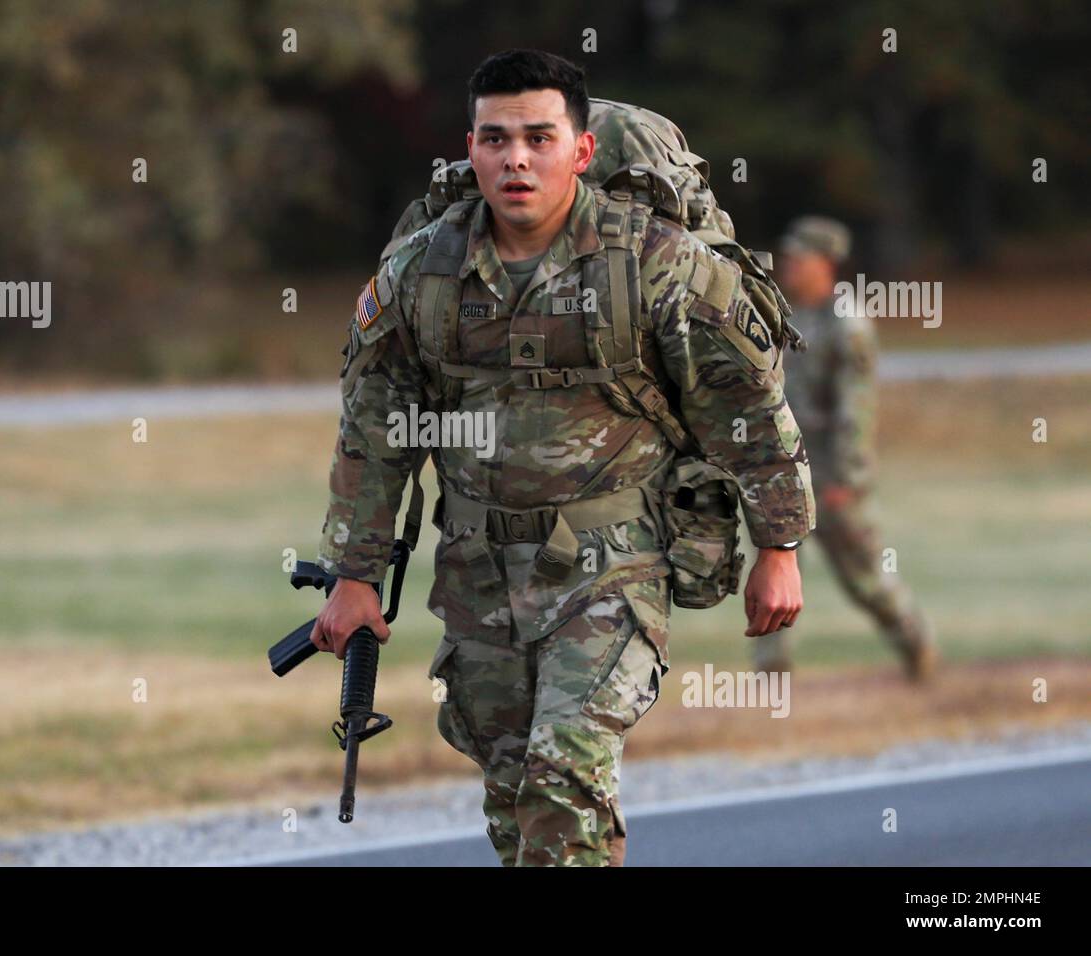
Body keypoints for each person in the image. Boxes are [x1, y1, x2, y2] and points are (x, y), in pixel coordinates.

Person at [311, 49, 814, 866]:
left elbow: (747, 405)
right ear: (468, 147)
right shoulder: (422, 270)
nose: (516, 159)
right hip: (477, 569)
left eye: (539, 138)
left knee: (561, 778)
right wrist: (356, 573)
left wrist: (780, 546)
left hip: (613, 564)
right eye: (496, 138)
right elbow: (375, 428)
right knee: (518, 810)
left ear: (579, 151)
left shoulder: (653, 263)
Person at [749, 216, 936, 680]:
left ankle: (916, 644)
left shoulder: (847, 326)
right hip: (784, 469)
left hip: (830, 472)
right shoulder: (786, 314)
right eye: (787, 257)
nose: (789, 265)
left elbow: (858, 410)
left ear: (826, 262)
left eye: (799, 258)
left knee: (864, 578)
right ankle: (771, 674)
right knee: (772, 569)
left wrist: (846, 481)